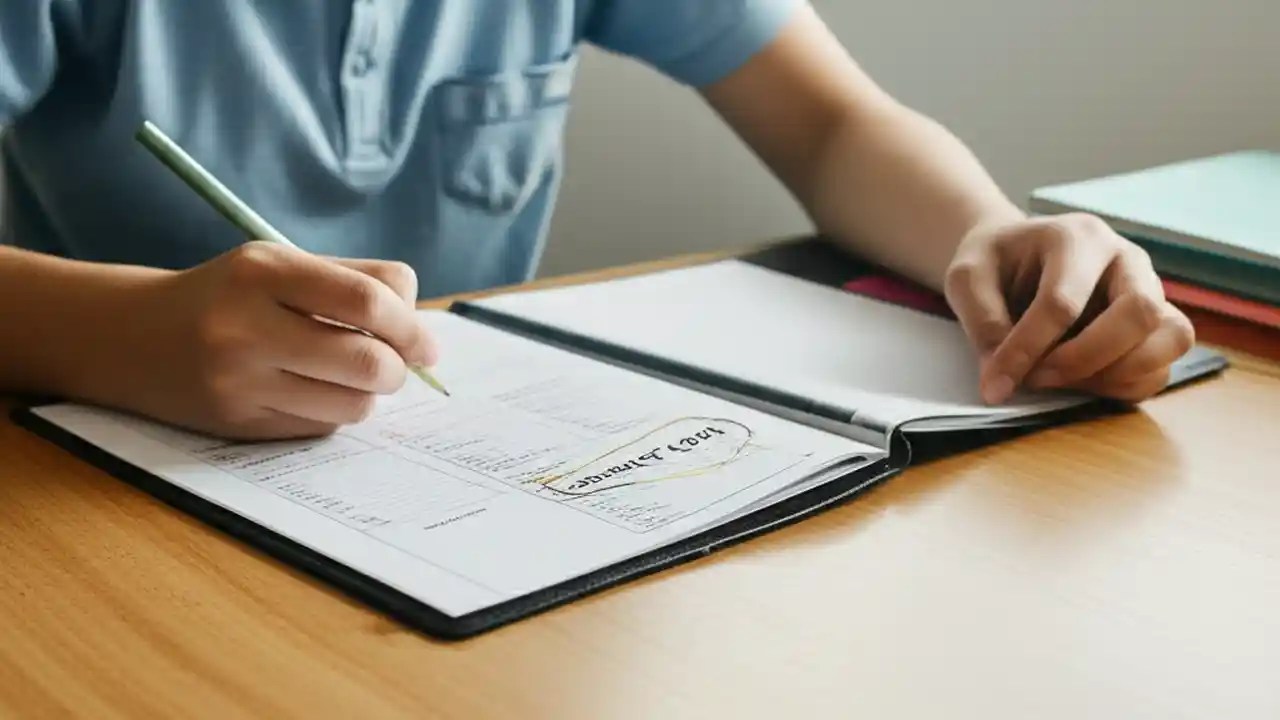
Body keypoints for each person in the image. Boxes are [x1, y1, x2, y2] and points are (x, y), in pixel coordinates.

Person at [0, 1, 1193, 439]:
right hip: (83, 488)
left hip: (434, 476)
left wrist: (981, 232)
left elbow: (830, 125)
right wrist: (121, 332)